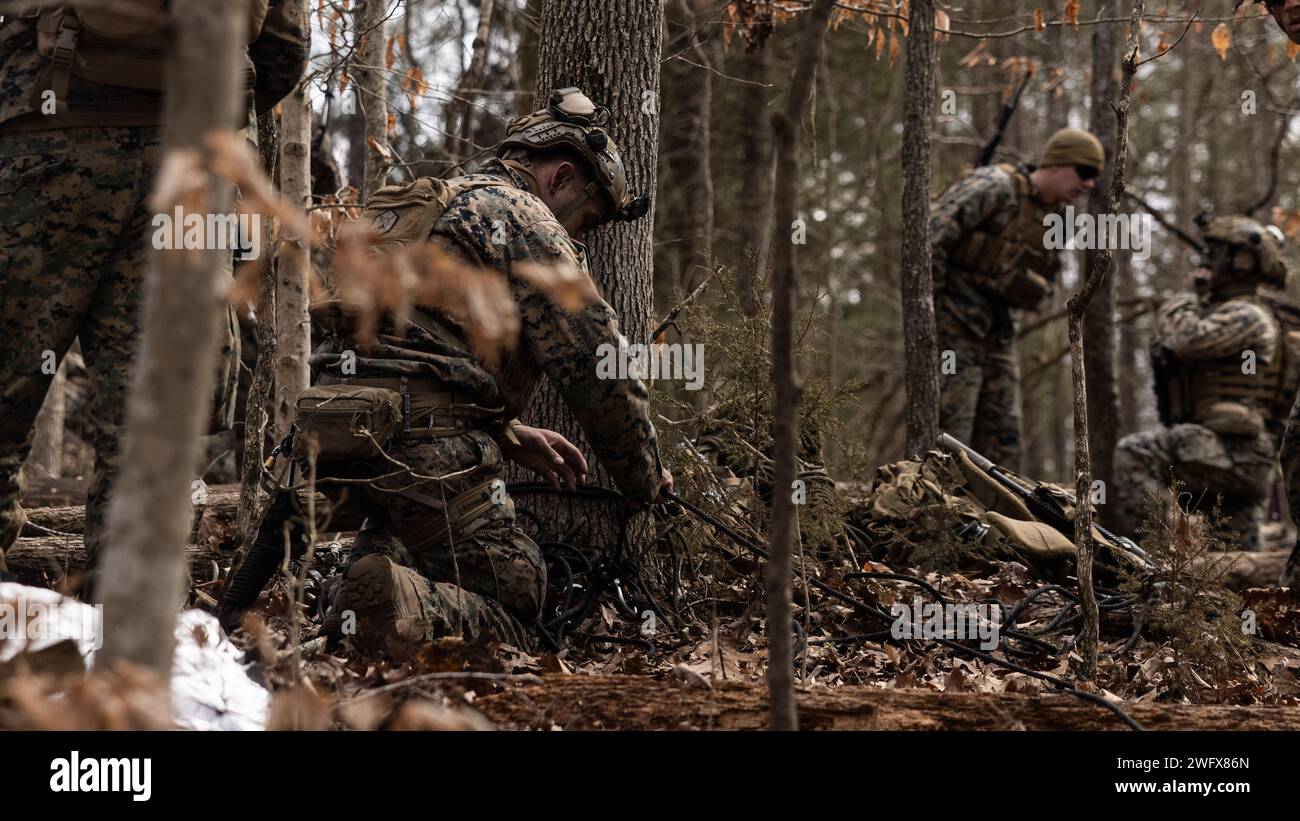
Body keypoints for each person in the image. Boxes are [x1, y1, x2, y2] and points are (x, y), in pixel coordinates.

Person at [309, 88, 673, 654]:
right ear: (561, 179)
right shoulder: (526, 220)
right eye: (588, 218)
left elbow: (412, 347)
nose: (580, 237)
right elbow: (599, 370)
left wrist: (503, 430)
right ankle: (395, 608)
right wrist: (645, 480)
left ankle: (367, 602)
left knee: (404, 551)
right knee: (522, 592)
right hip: (424, 449)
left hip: (339, 436)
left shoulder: (433, 209)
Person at [0, 1, 309, 580]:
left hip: (39, 148)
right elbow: (284, 47)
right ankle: (131, 641)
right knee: (151, 427)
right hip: (190, 172)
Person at [930, 127, 1104, 471]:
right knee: (950, 433)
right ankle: (938, 514)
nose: (1088, 185)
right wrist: (930, 312)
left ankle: (994, 519)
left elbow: (1042, 280)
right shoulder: (995, 186)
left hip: (999, 333)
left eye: (1094, 177)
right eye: (1084, 172)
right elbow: (930, 238)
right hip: (953, 327)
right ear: (1057, 163)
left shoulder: (1058, 220)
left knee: (1003, 440)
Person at [1116, 216, 1291, 551]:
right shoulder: (1230, 310)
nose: (1207, 259)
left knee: (1135, 453)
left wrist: (1182, 298)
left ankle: (1141, 564)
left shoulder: (1247, 314)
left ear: (1241, 262)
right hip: (1228, 453)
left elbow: (1185, 339)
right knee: (1233, 563)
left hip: (1235, 452)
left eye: (1217, 252)